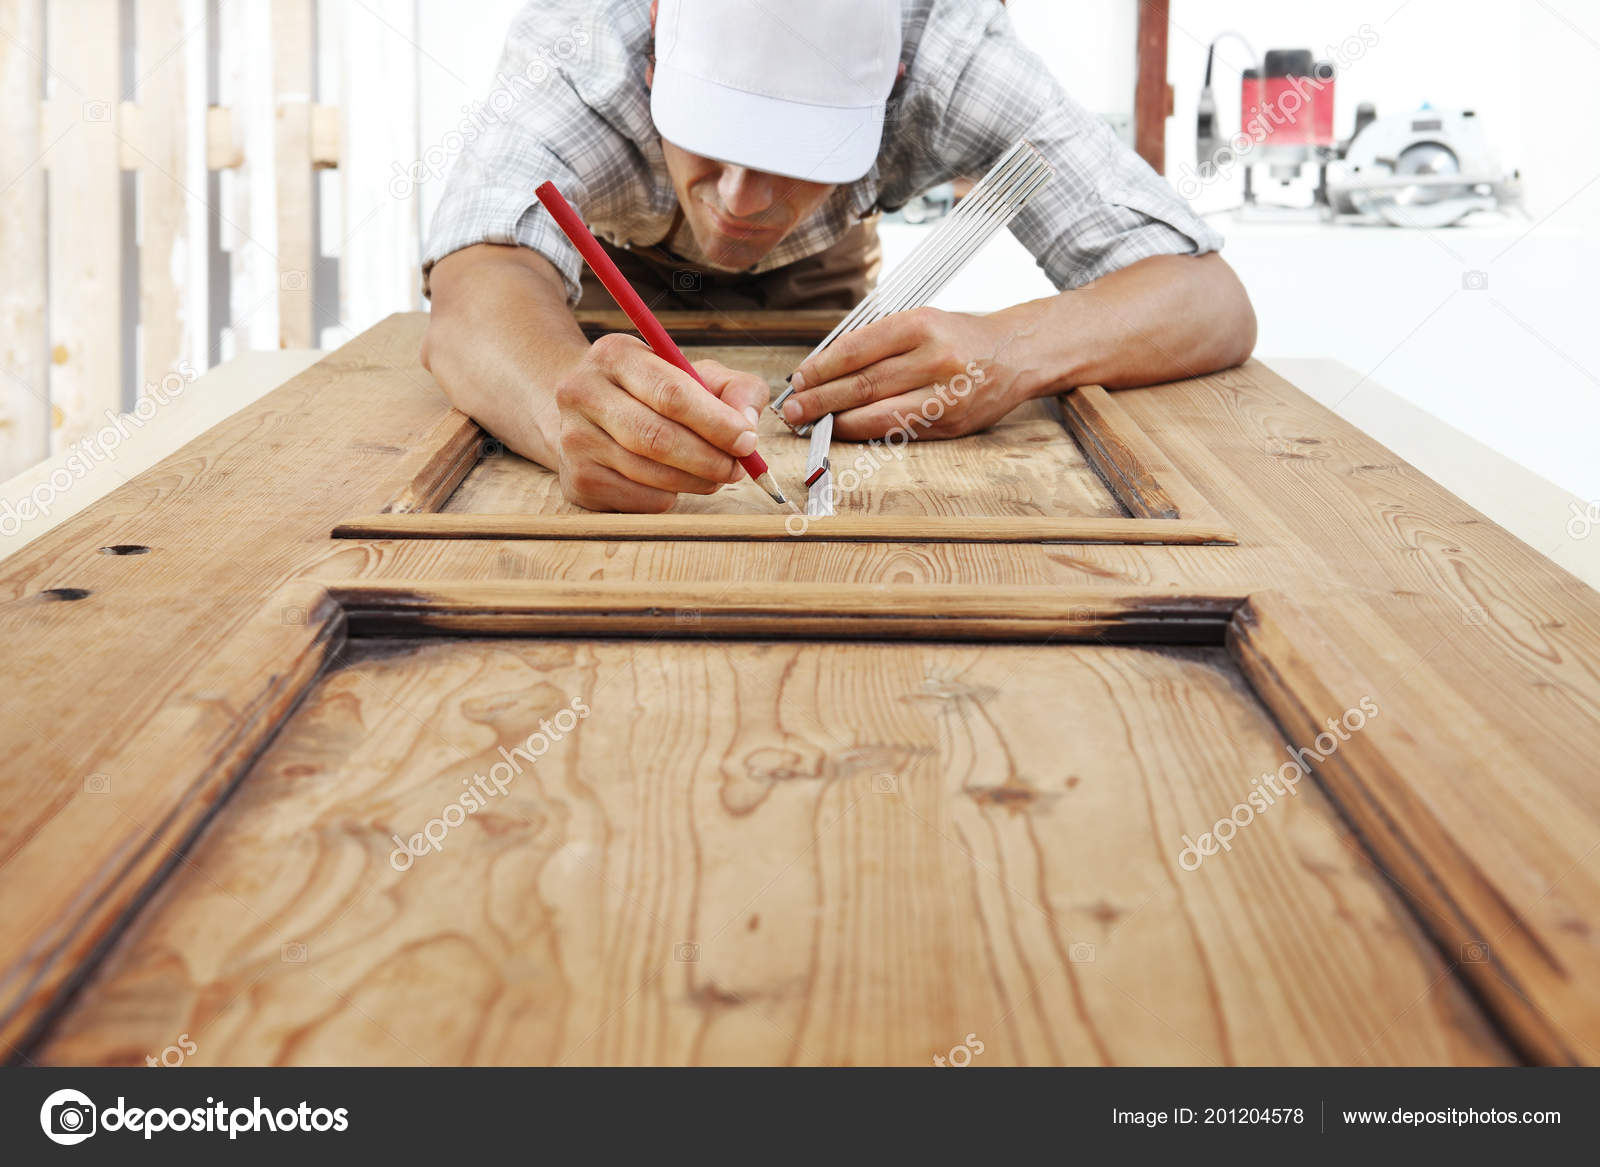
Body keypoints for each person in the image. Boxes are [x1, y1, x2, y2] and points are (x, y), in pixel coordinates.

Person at [421, 0, 1256, 513]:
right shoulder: (579, 47)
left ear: (892, 80)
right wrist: (560, 406)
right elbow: (474, 284)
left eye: (796, 153)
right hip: (600, 296)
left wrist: (1013, 349)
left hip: (821, 280)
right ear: (653, 33)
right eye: (710, 134)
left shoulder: (953, 50)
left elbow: (1207, 297)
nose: (739, 200)